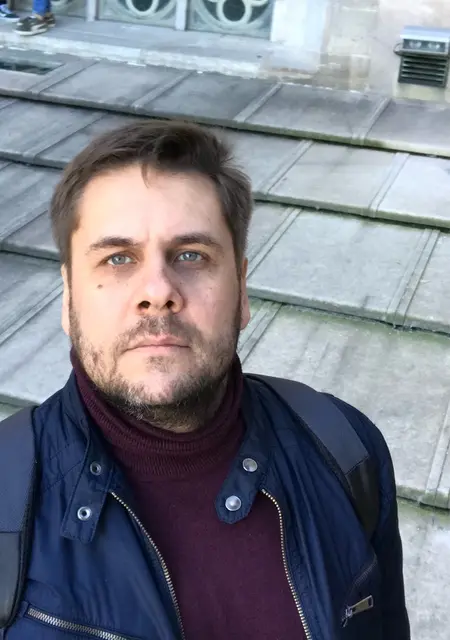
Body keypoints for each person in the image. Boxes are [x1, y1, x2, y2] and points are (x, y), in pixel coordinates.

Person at [0, 120, 410, 639]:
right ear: (68, 298)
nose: (157, 291)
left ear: (241, 289)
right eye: (117, 258)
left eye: (191, 255)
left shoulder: (347, 453)